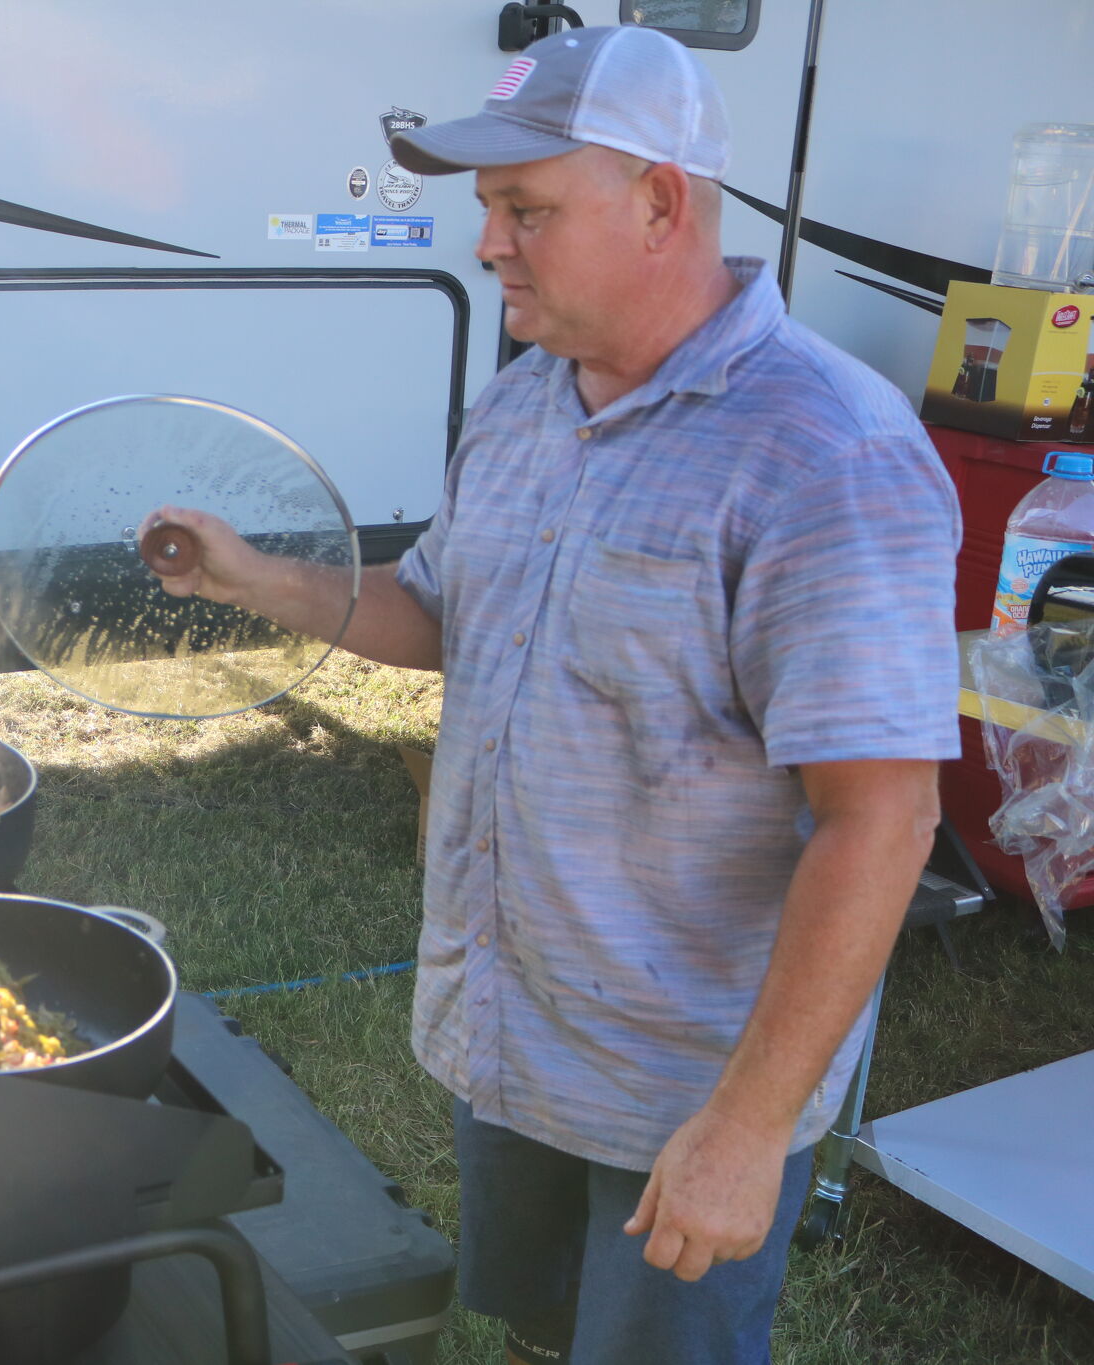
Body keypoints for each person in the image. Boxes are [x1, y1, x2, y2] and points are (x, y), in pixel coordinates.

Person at [151, 25, 959, 1365]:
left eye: (526, 210)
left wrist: (749, 1127)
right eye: (487, 211)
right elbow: (442, 617)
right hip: (516, 1036)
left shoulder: (826, 454)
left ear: (661, 202)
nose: (488, 246)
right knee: (536, 1334)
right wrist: (257, 578)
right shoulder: (523, 406)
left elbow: (882, 820)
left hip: (681, 1084)